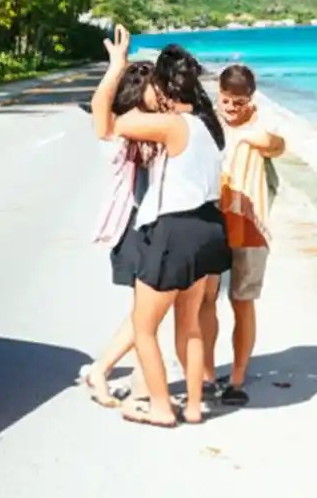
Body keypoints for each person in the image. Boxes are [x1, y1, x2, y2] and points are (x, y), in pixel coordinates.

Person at [92, 27, 231, 427]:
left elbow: (106, 123)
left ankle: (160, 407)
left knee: (144, 326)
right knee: (189, 325)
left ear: (164, 88)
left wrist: (116, 68)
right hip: (210, 227)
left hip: (176, 229)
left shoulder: (171, 125)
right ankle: (192, 406)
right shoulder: (206, 125)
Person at [201, 64, 285, 406]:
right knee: (205, 301)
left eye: (239, 102)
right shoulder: (208, 121)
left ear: (250, 99)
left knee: (242, 302)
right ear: (218, 93)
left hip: (251, 228)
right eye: (226, 100)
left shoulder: (261, 121)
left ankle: (237, 378)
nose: (231, 108)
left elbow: (276, 145)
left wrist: (254, 136)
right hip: (211, 224)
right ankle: (206, 375)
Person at [82, 60, 160, 408]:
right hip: (133, 228)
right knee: (147, 312)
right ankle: (103, 371)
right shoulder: (119, 135)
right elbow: (100, 109)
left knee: (147, 311)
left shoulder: (156, 130)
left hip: (153, 226)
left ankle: (141, 384)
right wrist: (116, 66)